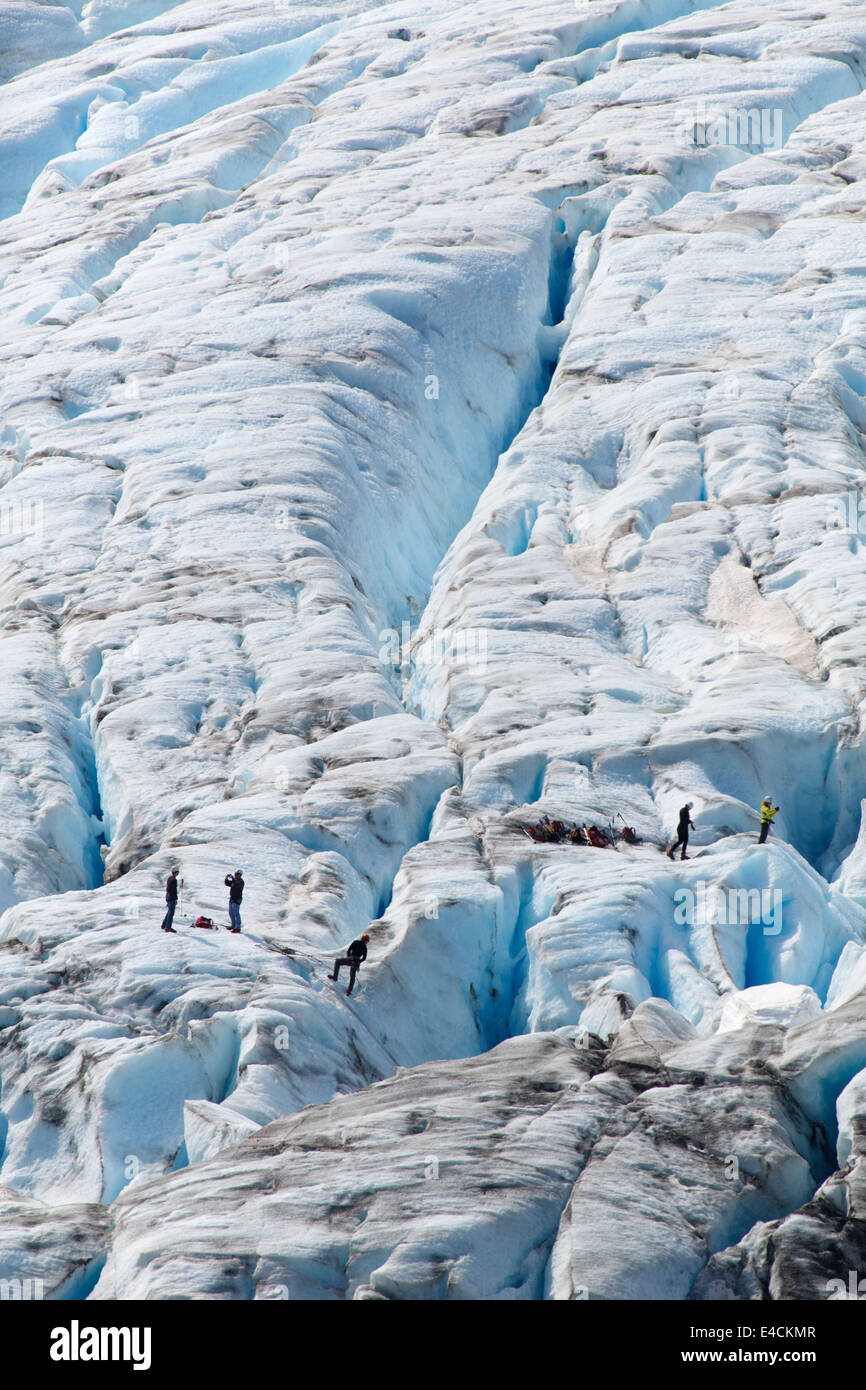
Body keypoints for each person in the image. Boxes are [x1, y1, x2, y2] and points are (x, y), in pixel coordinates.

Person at [161, 868, 179, 932]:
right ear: (176, 872)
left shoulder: (169, 878)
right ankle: (168, 927)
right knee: (171, 912)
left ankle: (164, 924)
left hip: (168, 896)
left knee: (169, 911)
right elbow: (174, 890)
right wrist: (175, 899)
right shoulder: (174, 880)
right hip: (171, 897)